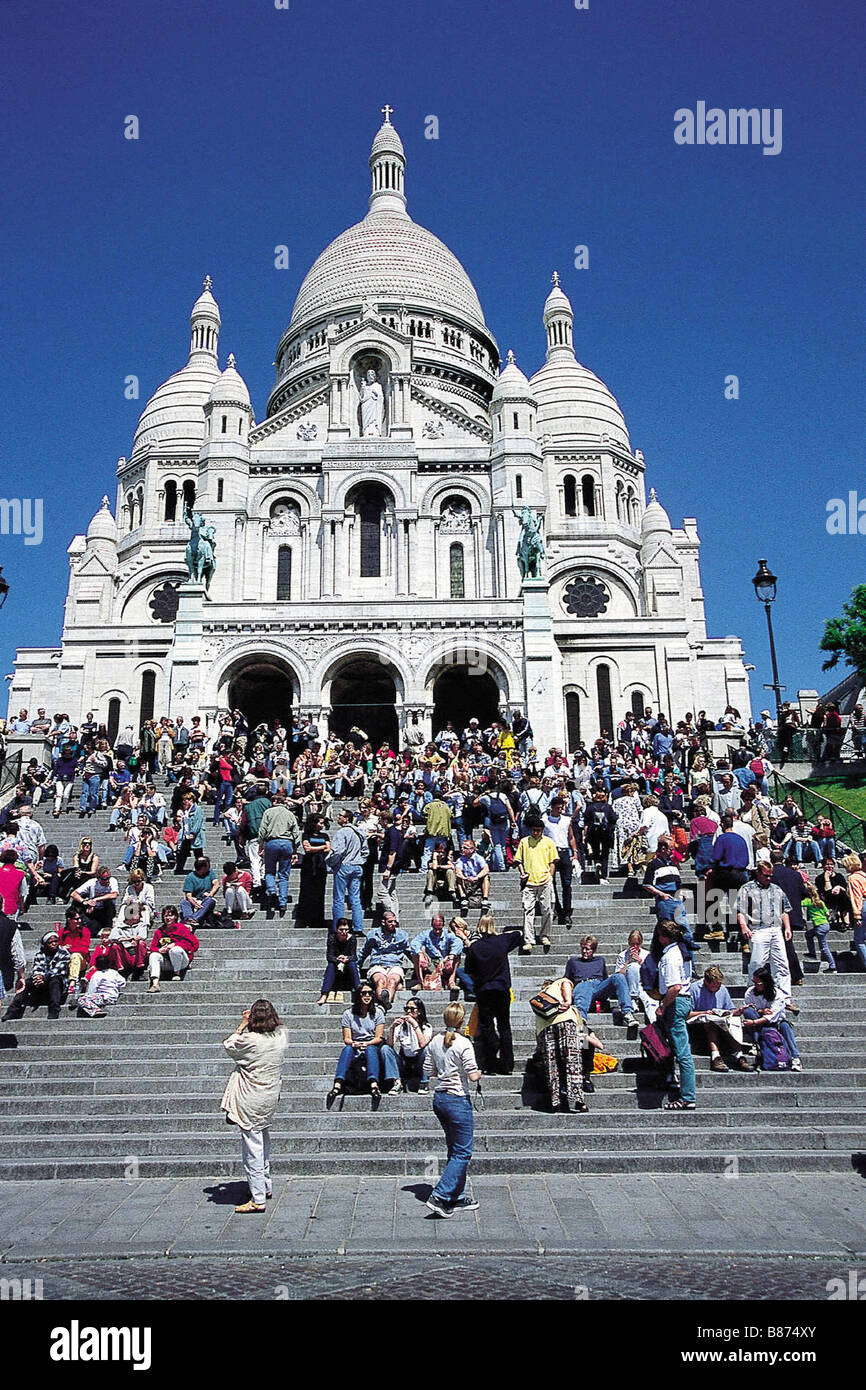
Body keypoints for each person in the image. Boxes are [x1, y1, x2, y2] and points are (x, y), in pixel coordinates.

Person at [221, 999, 289, 1213]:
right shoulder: (281, 1036)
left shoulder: (249, 1040)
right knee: (264, 1139)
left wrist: (242, 1024)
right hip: (270, 1094)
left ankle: (258, 1198)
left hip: (250, 1096)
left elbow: (229, 1045)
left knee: (252, 1148)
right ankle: (265, 1185)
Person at [423, 1002, 483, 1217]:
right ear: (461, 1021)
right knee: (463, 1151)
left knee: (454, 1148)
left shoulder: (435, 1041)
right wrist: (480, 1073)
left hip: (439, 1099)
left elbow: (428, 1070)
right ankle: (440, 1195)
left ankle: (456, 1196)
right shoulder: (464, 1043)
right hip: (457, 1099)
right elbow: (472, 1074)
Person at [464, 915, 522, 1075]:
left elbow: (468, 969)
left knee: (487, 1025)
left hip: (484, 990)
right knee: (504, 1026)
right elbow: (518, 935)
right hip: (502, 989)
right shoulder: (502, 941)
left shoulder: (475, 947)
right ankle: (507, 1064)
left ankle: (490, 1061)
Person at [735, 861, 793, 1003]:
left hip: (775, 929)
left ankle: (784, 996)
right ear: (758, 873)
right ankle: (752, 994)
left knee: (781, 963)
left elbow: (784, 910)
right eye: (766, 875)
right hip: (758, 929)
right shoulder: (747, 889)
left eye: (770, 876)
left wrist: (787, 927)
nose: (768, 878)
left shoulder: (776, 889)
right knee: (757, 962)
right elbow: (740, 910)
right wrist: (744, 926)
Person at [531, 976, 589, 1114]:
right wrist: (568, 1001)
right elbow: (566, 984)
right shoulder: (560, 982)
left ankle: (555, 1101)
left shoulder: (542, 1002)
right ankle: (578, 1100)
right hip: (565, 1020)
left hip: (544, 1028)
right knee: (571, 1061)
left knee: (552, 1065)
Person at [656, 918, 697, 1110]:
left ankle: (688, 1096)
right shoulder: (681, 952)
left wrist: (663, 1006)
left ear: (663, 937)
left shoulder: (671, 956)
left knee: (682, 1052)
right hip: (681, 1001)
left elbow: (674, 987)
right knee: (677, 1048)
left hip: (676, 1001)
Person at [687, 965, 754, 1071]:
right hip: (699, 1027)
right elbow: (687, 1013)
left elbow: (730, 1009)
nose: (718, 988)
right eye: (715, 986)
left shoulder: (722, 989)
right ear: (706, 982)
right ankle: (716, 1057)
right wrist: (705, 1012)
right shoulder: (694, 989)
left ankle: (739, 1055)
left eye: (719, 985)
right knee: (710, 1022)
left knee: (731, 1021)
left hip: (720, 1024)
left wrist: (738, 1011)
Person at [327, 984, 386, 1103]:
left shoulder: (378, 1012)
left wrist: (367, 1043)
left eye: (370, 993)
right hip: (355, 1044)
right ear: (358, 995)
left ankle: (374, 1085)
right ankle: (338, 1084)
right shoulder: (348, 1014)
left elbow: (379, 1037)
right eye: (364, 993)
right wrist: (354, 1043)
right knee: (347, 1049)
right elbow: (347, 1038)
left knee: (371, 1049)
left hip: (372, 1043)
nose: (367, 996)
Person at [738, 965, 801, 1071]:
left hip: (775, 1023)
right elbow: (749, 1007)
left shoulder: (778, 994)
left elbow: (771, 1016)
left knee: (786, 1026)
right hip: (759, 1021)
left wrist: (754, 1022)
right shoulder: (750, 992)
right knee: (748, 1011)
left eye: (758, 983)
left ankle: (795, 1057)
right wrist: (761, 1011)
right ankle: (756, 1043)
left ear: (765, 982)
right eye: (754, 982)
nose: (755, 985)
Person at [565, 935, 639, 1025]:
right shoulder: (573, 962)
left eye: (588, 949)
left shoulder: (600, 960)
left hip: (598, 987)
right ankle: (581, 1017)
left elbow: (605, 979)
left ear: (593, 950)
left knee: (618, 976)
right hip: (582, 985)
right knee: (584, 985)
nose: (584, 951)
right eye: (583, 948)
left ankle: (627, 1013)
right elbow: (567, 980)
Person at [3, 930, 71, 1020]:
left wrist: (42, 977)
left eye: (56, 941)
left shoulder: (64, 954)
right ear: (45, 944)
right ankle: (13, 1010)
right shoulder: (39, 955)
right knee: (26, 983)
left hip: (57, 986)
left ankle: (54, 1010)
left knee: (55, 979)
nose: (54, 944)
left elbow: (57, 970)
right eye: (50, 942)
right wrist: (38, 977)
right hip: (42, 984)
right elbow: (37, 969)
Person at [514, 816, 558, 952]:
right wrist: (522, 873)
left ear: (542, 830)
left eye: (538, 830)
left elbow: (553, 861)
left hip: (545, 880)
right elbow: (518, 860)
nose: (536, 833)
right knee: (528, 911)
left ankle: (545, 935)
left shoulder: (548, 842)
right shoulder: (524, 842)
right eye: (534, 830)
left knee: (547, 909)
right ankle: (528, 939)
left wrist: (550, 876)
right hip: (529, 882)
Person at [258, 791, 301, 919]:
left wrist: (261, 845)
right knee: (284, 875)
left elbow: (262, 830)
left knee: (270, 871)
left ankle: (271, 891)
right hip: (287, 843)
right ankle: (282, 902)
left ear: (275, 801)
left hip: (271, 842)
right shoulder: (290, 814)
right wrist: (295, 850)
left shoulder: (268, 812)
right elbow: (296, 832)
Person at [359, 908, 413, 1008]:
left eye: (394, 921)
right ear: (383, 922)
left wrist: (419, 963)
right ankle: (385, 1002)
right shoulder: (372, 935)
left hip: (395, 964)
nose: (393, 924)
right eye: (390, 921)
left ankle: (383, 1004)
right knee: (381, 981)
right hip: (378, 964)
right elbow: (364, 952)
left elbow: (410, 952)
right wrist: (356, 965)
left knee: (392, 981)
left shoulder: (402, 935)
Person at [326, 807, 367, 934]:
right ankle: (358, 927)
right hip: (357, 865)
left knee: (338, 898)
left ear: (346, 819)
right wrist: (360, 860)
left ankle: (338, 926)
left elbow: (338, 851)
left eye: (340, 815)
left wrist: (331, 862)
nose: (338, 817)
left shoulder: (342, 832)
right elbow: (365, 851)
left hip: (344, 865)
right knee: (355, 898)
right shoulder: (360, 832)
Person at [382, 996, 432, 1093]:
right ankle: (397, 1083)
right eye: (406, 1008)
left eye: (412, 1009)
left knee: (427, 1049)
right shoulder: (401, 1026)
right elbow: (390, 1044)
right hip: (404, 1061)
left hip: (419, 1061)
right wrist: (392, 1028)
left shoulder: (427, 1027)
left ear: (419, 1011)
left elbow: (422, 1044)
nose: (409, 1011)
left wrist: (414, 1025)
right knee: (385, 1049)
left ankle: (424, 1083)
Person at [147, 906, 199, 992]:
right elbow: (152, 947)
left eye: (170, 915)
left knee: (175, 950)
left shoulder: (182, 928)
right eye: (166, 916)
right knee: (154, 955)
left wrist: (175, 944)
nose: (168, 918)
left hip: (181, 961)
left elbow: (193, 945)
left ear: (175, 916)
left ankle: (177, 973)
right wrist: (159, 950)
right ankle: (155, 983)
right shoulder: (159, 931)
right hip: (166, 961)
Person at [316, 918, 361, 1005]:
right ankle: (324, 994)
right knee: (331, 965)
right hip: (336, 965)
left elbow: (354, 956)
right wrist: (338, 959)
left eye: (346, 930)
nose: (344, 932)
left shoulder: (352, 939)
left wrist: (346, 958)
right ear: (337, 930)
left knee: (352, 964)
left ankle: (358, 991)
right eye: (341, 930)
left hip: (348, 967)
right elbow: (329, 956)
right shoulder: (332, 938)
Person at [297, 815, 330, 929]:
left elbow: (328, 849)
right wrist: (321, 847)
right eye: (320, 823)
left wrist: (315, 848)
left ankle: (317, 919)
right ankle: (305, 918)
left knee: (319, 893)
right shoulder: (306, 834)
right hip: (308, 865)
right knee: (307, 891)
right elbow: (307, 849)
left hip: (320, 865)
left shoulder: (325, 835)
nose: (322, 825)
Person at [803, 880, 837, 972]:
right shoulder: (820, 902)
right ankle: (812, 953)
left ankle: (832, 966)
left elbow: (798, 904)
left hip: (819, 926)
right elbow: (827, 913)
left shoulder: (808, 901)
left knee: (824, 947)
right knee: (808, 934)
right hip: (825, 924)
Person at [453, 837, 491, 914]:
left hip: (476, 880)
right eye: (462, 847)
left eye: (465, 848)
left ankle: (485, 899)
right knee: (458, 878)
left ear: (471, 849)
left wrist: (476, 877)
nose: (462, 849)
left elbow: (486, 869)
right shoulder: (460, 860)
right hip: (466, 881)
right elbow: (458, 871)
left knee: (486, 876)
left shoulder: (478, 858)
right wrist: (464, 877)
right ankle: (463, 899)